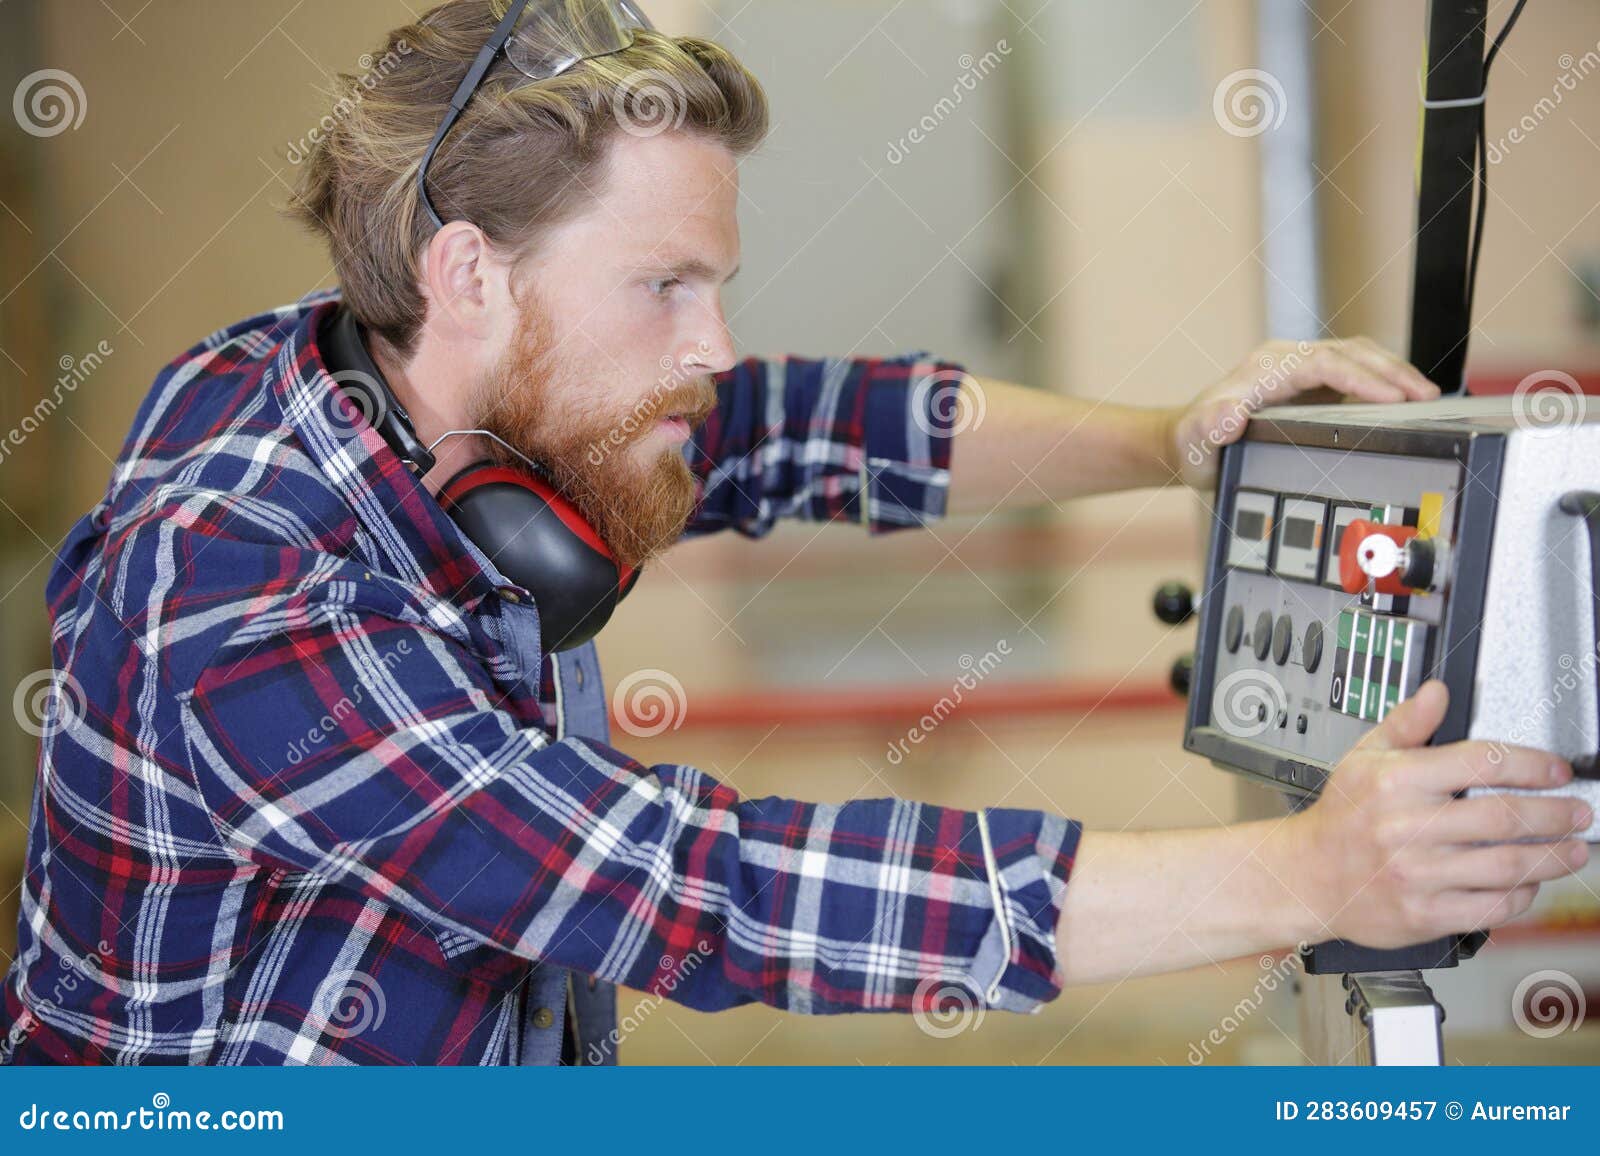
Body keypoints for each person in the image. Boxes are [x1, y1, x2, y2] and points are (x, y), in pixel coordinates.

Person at [1, 0, 1587, 1066]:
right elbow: (697, 893)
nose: (711, 346)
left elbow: (820, 422)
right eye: (665, 286)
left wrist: (1170, 442)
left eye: (719, 282)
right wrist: (1308, 873)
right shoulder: (240, 586)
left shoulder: (408, 370)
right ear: (472, 271)